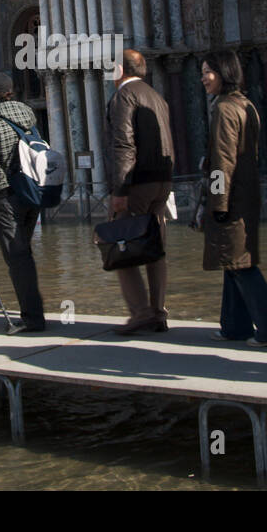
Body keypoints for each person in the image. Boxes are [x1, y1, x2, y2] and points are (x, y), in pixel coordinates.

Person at [199, 50, 267, 347]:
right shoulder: (245, 104)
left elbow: (223, 161)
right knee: (233, 257)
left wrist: (218, 203)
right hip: (247, 192)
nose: (202, 79)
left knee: (240, 262)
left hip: (232, 195)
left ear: (223, 72)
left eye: (207, 72)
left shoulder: (225, 109)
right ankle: (235, 326)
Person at [104, 48, 174, 334]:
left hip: (137, 184)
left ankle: (140, 312)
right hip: (162, 182)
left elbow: (124, 143)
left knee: (120, 245)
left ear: (121, 70)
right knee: (155, 246)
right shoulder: (156, 96)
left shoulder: (124, 95)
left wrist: (121, 189)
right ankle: (158, 311)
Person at [0, 72, 45, 332]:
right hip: (32, 193)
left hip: (8, 198)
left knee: (17, 258)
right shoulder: (29, 117)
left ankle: (32, 318)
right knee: (24, 254)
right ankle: (35, 313)